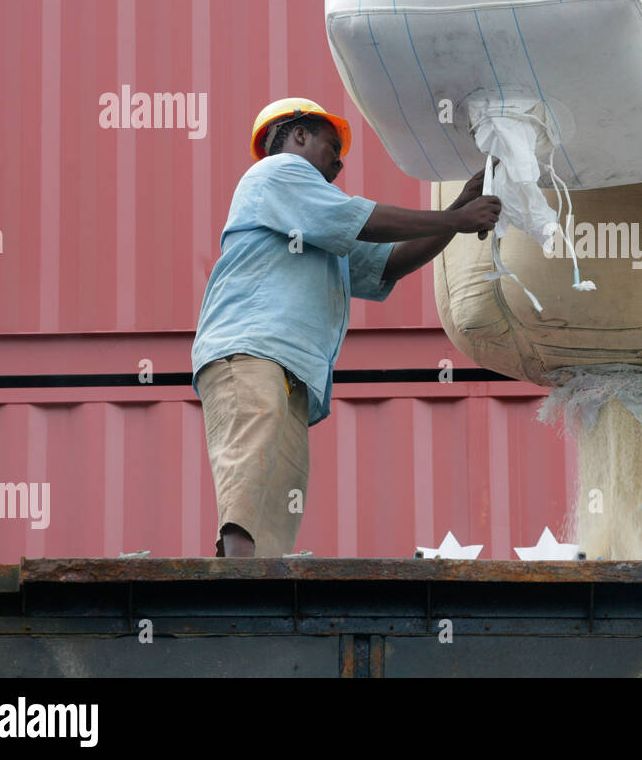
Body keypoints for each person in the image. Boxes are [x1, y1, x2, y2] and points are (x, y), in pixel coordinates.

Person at [191, 97, 500, 557]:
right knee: (253, 463)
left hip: (292, 370)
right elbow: (364, 220)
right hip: (251, 348)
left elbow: (389, 262)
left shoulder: (316, 225)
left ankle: (256, 585)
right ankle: (234, 576)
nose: (338, 164)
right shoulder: (277, 173)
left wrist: (457, 209)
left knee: (281, 486)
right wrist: (456, 218)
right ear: (297, 134)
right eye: (331, 147)